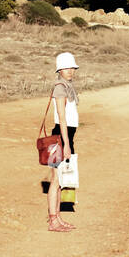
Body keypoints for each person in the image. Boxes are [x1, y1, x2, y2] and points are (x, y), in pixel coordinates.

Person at [47, 51, 79, 232]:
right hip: (60, 136)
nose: (70, 71)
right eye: (66, 68)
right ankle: (53, 220)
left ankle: (57, 218)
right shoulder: (60, 87)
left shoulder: (67, 85)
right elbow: (61, 116)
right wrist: (66, 144)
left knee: (60, 179)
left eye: (72, 67)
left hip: (65, 136)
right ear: (59, 69)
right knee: (56, 180)